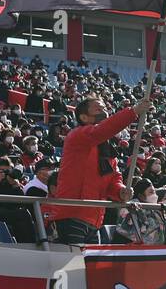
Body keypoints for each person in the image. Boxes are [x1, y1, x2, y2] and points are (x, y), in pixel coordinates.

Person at [44, 93, 150, 244]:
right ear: (84, 117)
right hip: (72, 215)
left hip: (94, 221)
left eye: (105, 108)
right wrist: (133, 112)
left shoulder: (107, 150)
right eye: (98, 109)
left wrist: (121, 191)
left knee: (89, 266)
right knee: (72, 265)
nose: (104, 112)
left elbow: (114, 180)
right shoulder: (77, 136)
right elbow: (101, 131)